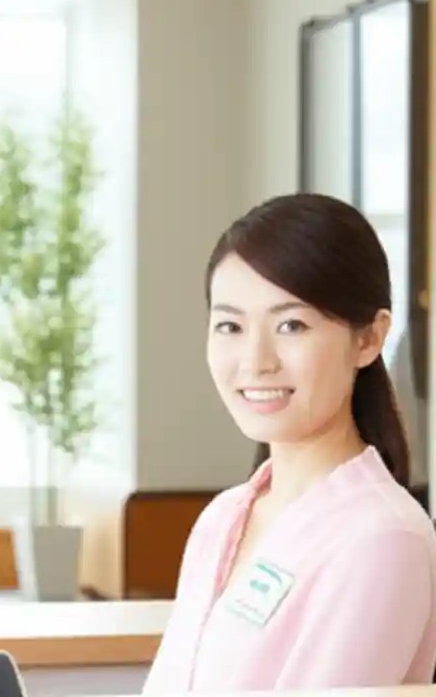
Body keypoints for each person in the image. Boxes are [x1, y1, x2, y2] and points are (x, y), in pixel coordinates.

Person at [143, 194, 436, 692]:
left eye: (291, 325)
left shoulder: (384, 538)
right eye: (231, 326)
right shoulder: (222, 518)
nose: (256, 361)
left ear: (369, 339)